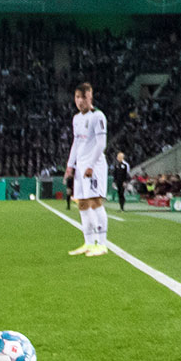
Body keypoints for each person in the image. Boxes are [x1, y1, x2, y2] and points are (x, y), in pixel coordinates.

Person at [63, 83, 110, 257]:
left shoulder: (98, 116)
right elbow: (76, 142)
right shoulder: (76, 119)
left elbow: (101, 144)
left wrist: (90, 165)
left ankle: (102, 244)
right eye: (77, 97)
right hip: (81, 166)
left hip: (94, 165)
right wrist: (70, 165)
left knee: (95, 201)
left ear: (90, 97)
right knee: (82, 203)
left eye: (83, 97)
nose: (80, 101)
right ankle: (89, 243)